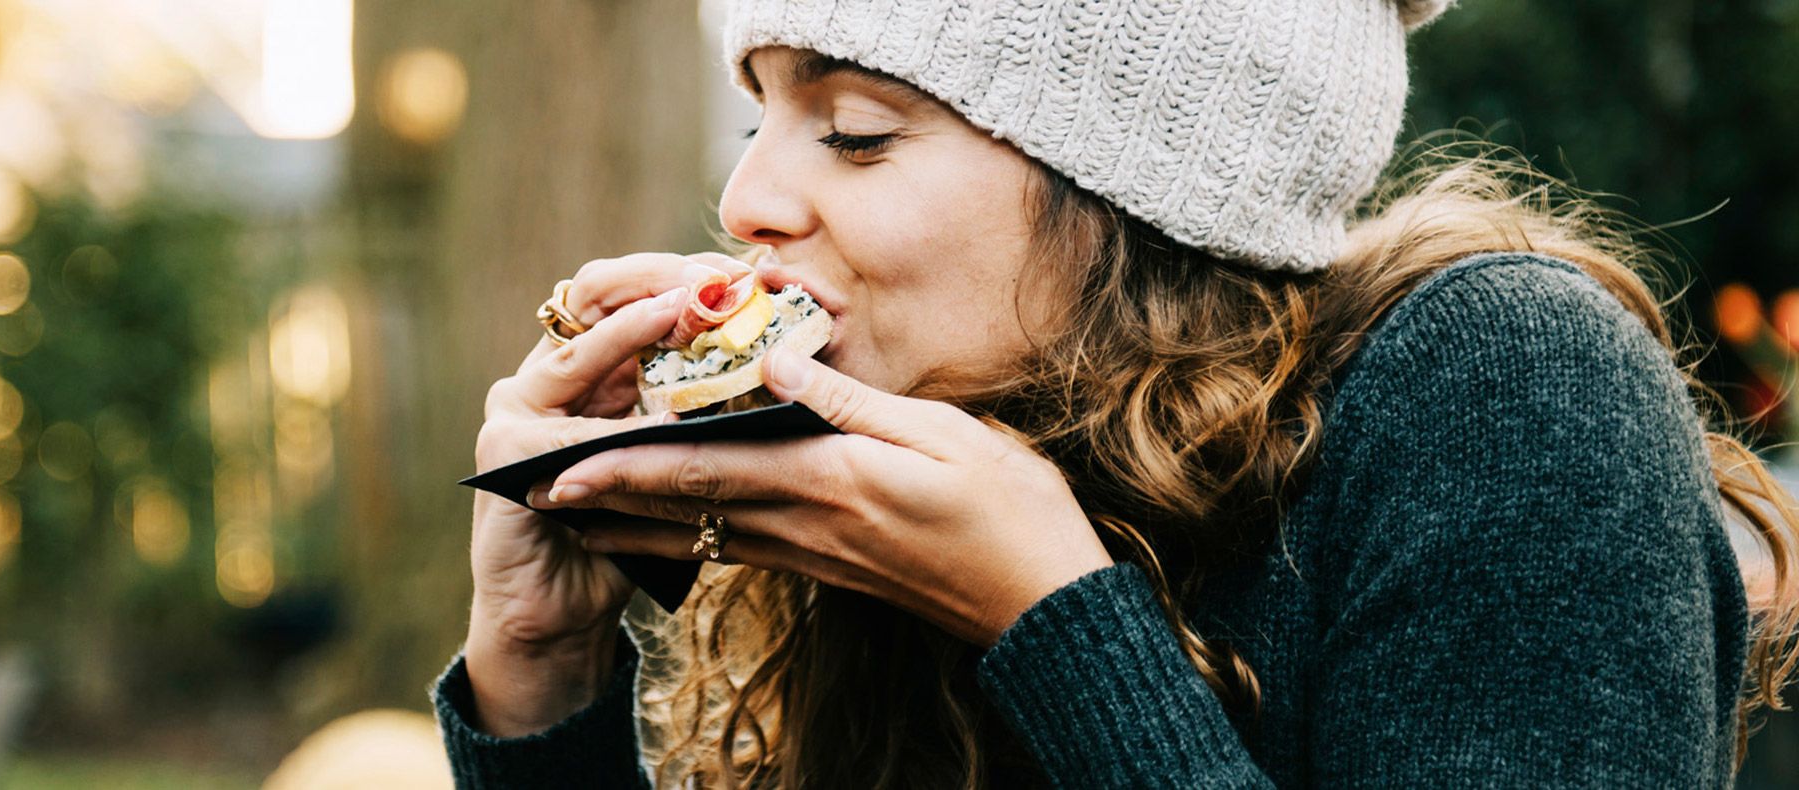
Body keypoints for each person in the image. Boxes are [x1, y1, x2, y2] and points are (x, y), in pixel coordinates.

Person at [436, 0, 1799, 787]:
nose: (744, 200)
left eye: (854, 132)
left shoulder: (1502, 392)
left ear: (1146, 185)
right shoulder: (931, 450)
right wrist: (539, 671)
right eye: (759, 116)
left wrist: (1054, 620)